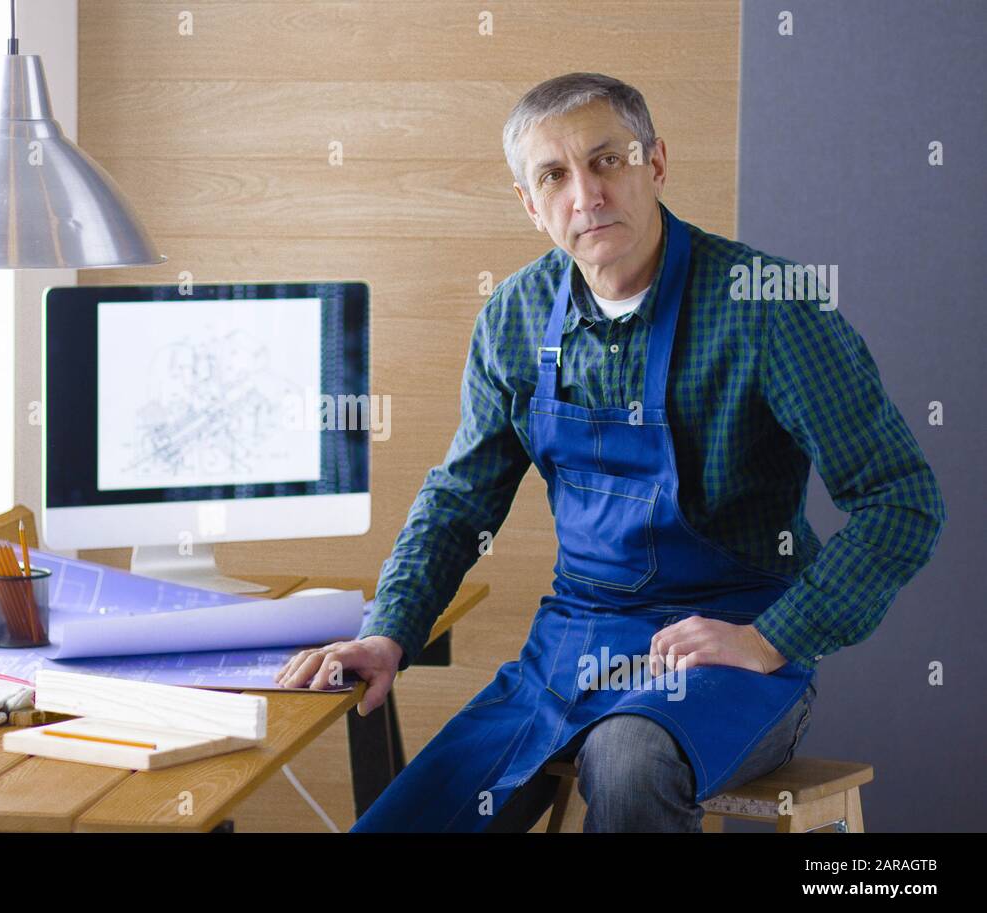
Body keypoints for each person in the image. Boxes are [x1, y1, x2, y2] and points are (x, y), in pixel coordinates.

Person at [274, 73, 947, 832]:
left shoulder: (769, 307)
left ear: (654, 163)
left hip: (729, 656)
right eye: (554, 176)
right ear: (530, 204)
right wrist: (388, 630)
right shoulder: (515, 318)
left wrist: (770, 639)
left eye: (608, 161)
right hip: (571, 648)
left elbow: (902, 500)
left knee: (627, 759)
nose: (586, 195)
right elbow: (460, 500)